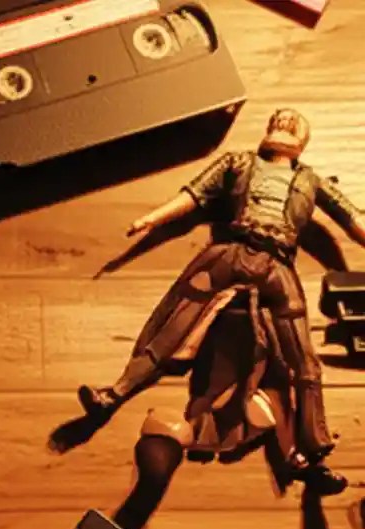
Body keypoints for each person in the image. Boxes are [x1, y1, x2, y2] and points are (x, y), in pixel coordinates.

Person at [80, 108, 365, 483]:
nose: (284, 124)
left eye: (292, 123)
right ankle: (113, 395)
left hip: (277, 267)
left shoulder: (311, 180)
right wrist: (153, 218)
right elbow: (193, 194)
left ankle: (312, 452)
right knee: (172, 326)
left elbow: (351, 216)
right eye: (280, 120)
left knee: (301, 360)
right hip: (227, 254)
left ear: (303, 139)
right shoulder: (237, 162)